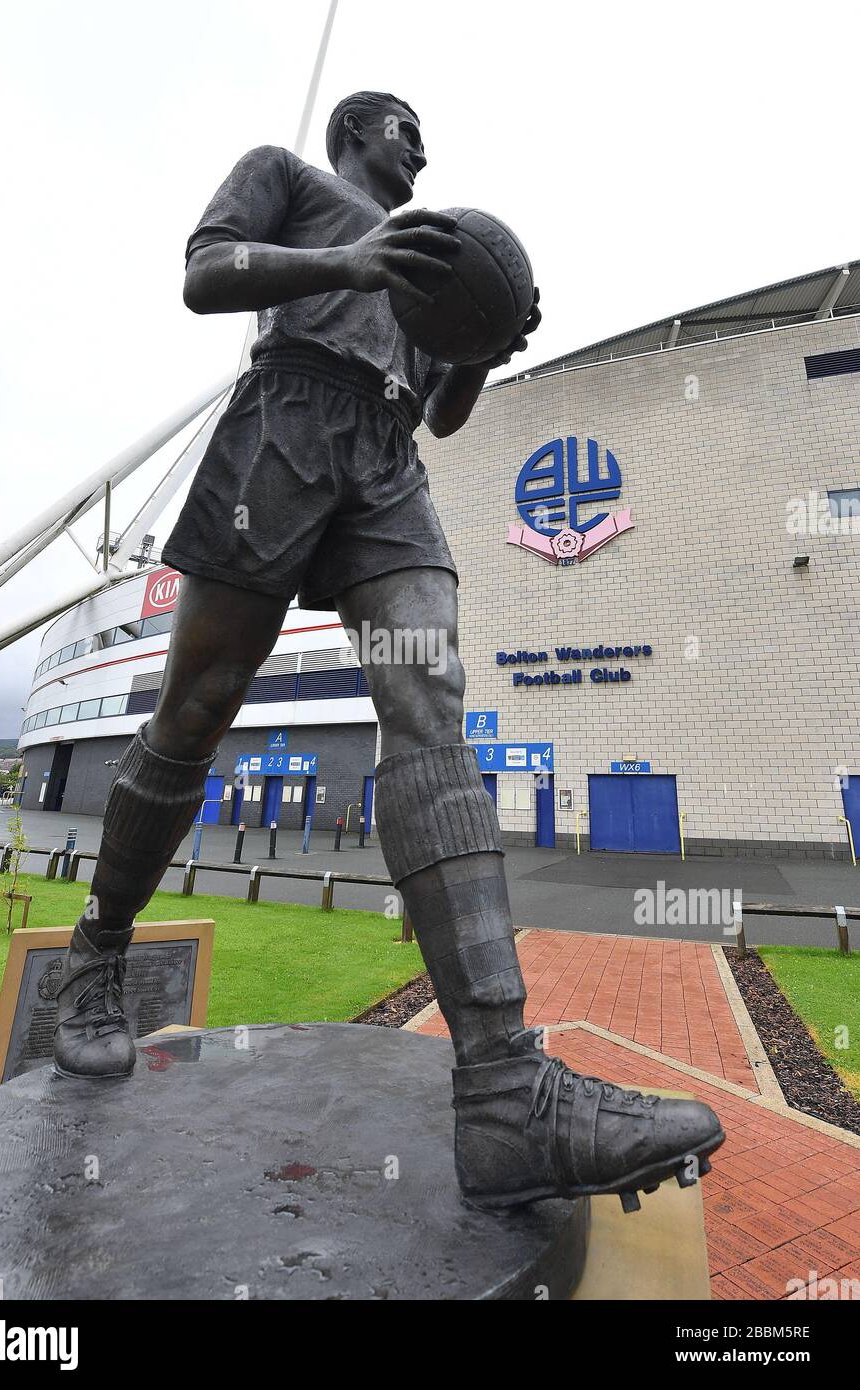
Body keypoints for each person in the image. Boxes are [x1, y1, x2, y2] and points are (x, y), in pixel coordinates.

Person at [54, 91, 723, 1212]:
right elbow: (205, 274)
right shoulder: (293, 180)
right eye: (405, 127)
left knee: (430, 696)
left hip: (383, 458)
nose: (421, 146)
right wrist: (354, 262)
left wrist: (481, 344)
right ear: (355, 131)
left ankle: (505, 1095)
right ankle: (99, 951)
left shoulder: (421, 264)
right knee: (198, 706)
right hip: (285, 418)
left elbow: (443, 413)